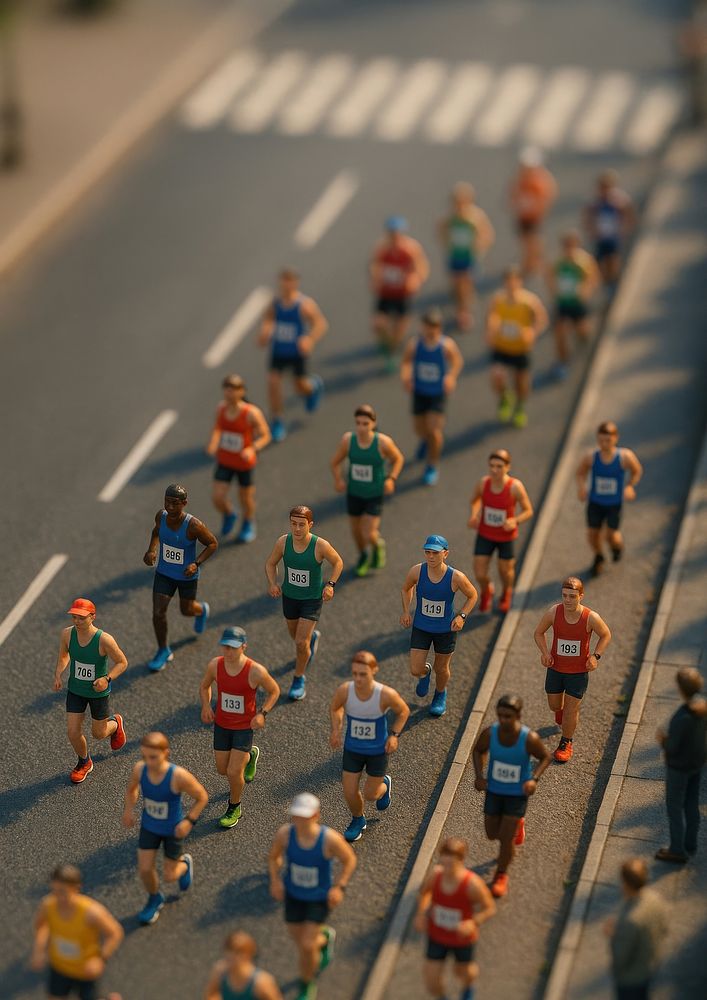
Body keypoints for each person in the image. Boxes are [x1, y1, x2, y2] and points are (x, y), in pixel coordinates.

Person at [268, 793, 357, 1000]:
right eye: (296, 816)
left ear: (316, 815)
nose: (299, 820)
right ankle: (324, 938)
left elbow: (349, 859)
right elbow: (273, 857)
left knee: (307, 947)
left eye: (305, 816)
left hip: (318, 898)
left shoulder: (329, 839)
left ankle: (307, 983)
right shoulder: (285, 834)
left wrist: (339, 887)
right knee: (300, 940)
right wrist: (275, 880)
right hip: (293, 894)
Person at [122, 731, 209, 926]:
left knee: (170, 876)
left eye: (153, 757)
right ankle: (155, 898)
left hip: (172, 829)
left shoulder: (178, 776)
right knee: (145, 869)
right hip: (150, 826)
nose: (148, 762)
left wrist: (189, 821)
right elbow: (131, 789)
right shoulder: (140, 769)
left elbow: (202, 797)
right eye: (145, 757)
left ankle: (184, 864)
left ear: (166, 753)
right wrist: (128, 810)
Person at [199, 626, 280, 830]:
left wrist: (262, 713)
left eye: (233, 647)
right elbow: (204, 686)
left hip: (244, 728)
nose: (228, 652)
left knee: (234, 772)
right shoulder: (215, 666)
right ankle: (251, 755)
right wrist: (207, 706)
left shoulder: (255, 671)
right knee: (221, 769)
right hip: (222, 725)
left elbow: (274, 691)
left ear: (244, 646)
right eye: (225, 647)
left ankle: (234, 806)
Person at [472, 694, 551, 898]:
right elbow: (478, 750)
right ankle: (518, 824)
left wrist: (534, 779)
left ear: (518, 715)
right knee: (491, 834)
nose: (503, 720)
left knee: (506, 840)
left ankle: (501, 874)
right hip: (495, 791)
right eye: (500, 715)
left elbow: (545, 757)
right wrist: (479, 776)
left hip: (517, 794)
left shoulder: (529, 738)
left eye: (508, 716)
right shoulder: (490, 734)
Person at [329, 650, 410, 842]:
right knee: (349, 791)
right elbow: (335, 708)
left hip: (377, 751)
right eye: (355, 674)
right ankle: (358, 820)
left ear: (374, 671)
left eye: (363, 674)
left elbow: (403, 711)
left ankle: (385, 785)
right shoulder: (345, 691)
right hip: (353, 749)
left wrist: (394, 736)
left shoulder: (385, 694)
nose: (358, 679)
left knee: (370, 794)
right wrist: (336, 730)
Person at [265, 506, 343, 701]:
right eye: (293, 524)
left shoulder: (320, 545)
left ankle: (298, 678)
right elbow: (270, 563)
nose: (297, 529)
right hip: (290, 597)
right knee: (296, 637)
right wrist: (272, 583)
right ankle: (311, 640)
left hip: (311, 599)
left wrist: (331, 585)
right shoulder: (283, 542)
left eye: (301, 525)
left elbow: (338, 562)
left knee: (300, 642)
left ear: (310, 525)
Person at [533, 577, 612, 763]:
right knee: (554, 705)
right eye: (564, 596)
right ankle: (560, 713)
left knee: (571, 709)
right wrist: (545, 653)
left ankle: (566, 742)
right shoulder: (554, 612)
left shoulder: (590, 617)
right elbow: (538, 633)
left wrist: (595, 656)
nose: (567, 600)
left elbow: (606, 635)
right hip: (556, 669)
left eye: (572, 596)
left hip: (578, 672)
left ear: (581, 596)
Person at [143, 484, 218, 672]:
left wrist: (196, 563)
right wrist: (151, 550)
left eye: (175, 503)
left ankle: (201, 610)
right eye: (167, 502)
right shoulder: (161, 516)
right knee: (158, 613)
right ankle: (163, 650)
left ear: (184, 503)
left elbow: (212, 544)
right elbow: (155, 532)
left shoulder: (194, 525)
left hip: (186, 576)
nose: (170, 507)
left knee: (186, 610)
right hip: (164, 573)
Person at [400, 535, 478, 718]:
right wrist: (406, 611)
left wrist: (462, 616)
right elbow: (406, 588)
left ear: (445, 554)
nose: (430, 556)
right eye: (427, 552)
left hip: (445, 630)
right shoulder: (417, 572)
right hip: (421, 626)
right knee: (415, 669)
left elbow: (473, 595)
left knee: (441, 668)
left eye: (435, 552)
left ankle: (440, 694)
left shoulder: (456, 577)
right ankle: (425, 672)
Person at [53, 598, 128, 784]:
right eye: (74, 617)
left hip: (97, 693)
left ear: (92, 617)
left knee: (99, 734)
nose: (76, 621)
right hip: (76, 690)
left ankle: (116, 724)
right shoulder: (67, 634)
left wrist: (106, 679)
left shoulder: (104, 639)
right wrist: (58, 674)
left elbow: (122, 662)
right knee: (72, 731)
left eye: (81, 617)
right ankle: (84, 762)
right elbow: (64, 656)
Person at [413, 838, 496, 1000]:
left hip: (462, 938)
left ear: (461, 861)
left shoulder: (472, 884)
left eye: (451, 864)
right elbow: (424, 894)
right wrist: (421, 914)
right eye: (443, 863)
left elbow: (490, 908)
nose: (446, 869)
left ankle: (468, 987)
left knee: (464, 973)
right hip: (437, 935)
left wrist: (473, 922)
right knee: (431, 980)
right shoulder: (436, 876)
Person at [330, 404, 404, 577]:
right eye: (358, 423)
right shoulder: (349, 441)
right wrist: (338, 480)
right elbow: (334, 462)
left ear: (373, 423)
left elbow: (398, 458)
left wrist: (391, 479)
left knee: (368, 531)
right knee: (356, 531)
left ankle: (377, 545)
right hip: (354, 493)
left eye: (365, 423)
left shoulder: (383, 442)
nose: (361, 427)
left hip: (374, 493)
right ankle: (363, 555)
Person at [30, 864, 124, 1000]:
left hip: (85, 971)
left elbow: (115, 933)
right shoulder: (48, 905)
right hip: (59, 967)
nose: (59, 899)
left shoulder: (91, 912)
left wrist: (100, 959)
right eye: (54, 891)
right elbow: (42, 927)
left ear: (76, 888)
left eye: (63, 892)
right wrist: (38, 951)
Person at [257, 268, 328, 443]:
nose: (285, 285)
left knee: (299, 386)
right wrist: (265, 332)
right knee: (273, 382)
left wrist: (309, 339)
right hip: (279, 351)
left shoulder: (304, 304)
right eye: (283, 281)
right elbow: (267, 321)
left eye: (289, 281)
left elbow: (321, 324)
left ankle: (313, 387)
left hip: (296, 352)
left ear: (295, 283)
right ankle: (277, 420)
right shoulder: (275, 304)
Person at [400, 308, 464, 486]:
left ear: (439, 328)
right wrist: (406, 377)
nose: (431, 331)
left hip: (437, 394)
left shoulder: (446, 345)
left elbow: (457, 361)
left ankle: (432, 465)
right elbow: (406, 362)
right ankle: (424, 439)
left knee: (435, 431)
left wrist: (451, 376)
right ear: (423, 327)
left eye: (434, 327)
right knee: (419, 428)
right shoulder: (415, 344)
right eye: (428, 327)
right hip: (420, 392)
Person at [206, 374, 271, 543]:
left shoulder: (251, 413)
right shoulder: (221, 409)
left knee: (246, 498)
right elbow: (218, 428)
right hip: (225, 460)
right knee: (217, 497)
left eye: (233, 390)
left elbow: (265, 435)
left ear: (241, 391)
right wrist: (213, 443)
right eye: (226, 390)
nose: (229, 394)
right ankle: (229, 513)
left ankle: (248, 522)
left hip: (244, 463)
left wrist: (253, 448)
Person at [467, 450, 533, 614]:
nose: (495, 470)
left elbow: (528, 510)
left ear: (508, 467)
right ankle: (487, 590)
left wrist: (515, 520)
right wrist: (474, 515)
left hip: (505, 536)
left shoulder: (515, 487)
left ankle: (507, 592)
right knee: (479, 573)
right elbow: (474, 501)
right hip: (485, 534)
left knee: (505, 570)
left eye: (499, 466)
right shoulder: (484, 483)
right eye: (491, 466)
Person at [576, 421, 643, 577]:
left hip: (614, 504)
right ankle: (599, 557)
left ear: (615, 438)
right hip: (595, 502)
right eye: (601, 441)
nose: (604, 444)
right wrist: (581, 487)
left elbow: (637, 471)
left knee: (611, 535)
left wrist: (630, 486)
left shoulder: (625, 457)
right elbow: (580, 473)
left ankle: (617, 547)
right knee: (592, 534)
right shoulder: (591, 457)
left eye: (608, 440)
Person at [654, 667, 707, 863]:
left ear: (681, 689)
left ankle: (677, 849)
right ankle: (690, 843)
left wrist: (663, 740)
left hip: (679, 767)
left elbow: (673, 746)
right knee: (692, 804)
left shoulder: (683, 717)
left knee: (674, 806)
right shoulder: (702, 707)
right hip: (696, 764)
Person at [485, 266, 547, 428]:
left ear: (519, 282)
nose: (511, 285)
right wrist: (491, 330)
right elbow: (491, 317)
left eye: (514, 281)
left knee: (521, 382)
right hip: (502, 346)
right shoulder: (498, 299)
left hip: (520, 348)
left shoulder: (529, 301)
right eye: (507, 282)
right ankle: (505, 397)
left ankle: (520, 407)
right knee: (496, 376)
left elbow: (541, 319)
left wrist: (532, 333)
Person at [369, 216, 429, 371]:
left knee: (399, 328)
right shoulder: (382, 248)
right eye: (392, 234)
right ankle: (387, 344)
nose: (395, 237)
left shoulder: (410, 249)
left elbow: (421, 268)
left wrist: (415, 280)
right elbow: (374, 265)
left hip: (402, 294)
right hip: (386, 292)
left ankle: (392, 352)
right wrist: (375, 278)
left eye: (397, 234)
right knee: (378, 324)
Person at [604, 859, 669, 1000]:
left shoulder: (630, 921)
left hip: (631, 979)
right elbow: (664, 928)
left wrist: (614, 935)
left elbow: (620, 958)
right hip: (650, 965)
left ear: (626, 884)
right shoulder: (655, 899)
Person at [438, 182, 495, 332]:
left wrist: (480, 246)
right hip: (455, 255)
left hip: (469, 257)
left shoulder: (475, 216)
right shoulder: (451, 217)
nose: (459, 205)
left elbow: (487, 234)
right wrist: (447, 243)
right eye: (456, 202)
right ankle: (461, 302)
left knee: (465, 283)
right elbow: (441, 229)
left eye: (462, 201)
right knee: (456, 283)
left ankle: (464, 312)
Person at [546, 229, 600, 379]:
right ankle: (562, 361)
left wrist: (586, 291)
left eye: (571, 245)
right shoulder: (559, 262)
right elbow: (550, 275)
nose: (568, 249)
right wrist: (554, 292)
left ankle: (585, 338)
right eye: (566, 246)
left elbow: (593, 277)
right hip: (563, 303)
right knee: (560, 332)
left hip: (577, 303)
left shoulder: (583, 261)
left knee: (582, 331)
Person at [508, 147, 557, 276]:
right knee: (525, 240)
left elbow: (546, 196)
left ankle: (533, 261)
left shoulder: (539, 181)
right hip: (523, 215)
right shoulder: (520, 179)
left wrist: (540, 209)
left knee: (532, 240)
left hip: (533, 216)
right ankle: (530, 260)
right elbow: (514, 194)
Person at [582, 169, 636, 289]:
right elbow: (588, 216)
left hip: (614, 235)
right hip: (601, 235)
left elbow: (628, 213)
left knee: (613, 258)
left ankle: (613, 281)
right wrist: (591, 229)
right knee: (599, 261)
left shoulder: (619, 200)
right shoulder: (596, 201)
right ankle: (604, 282)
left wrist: (625, 228)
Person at [203, 930, 282, 1000]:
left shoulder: (262, 983)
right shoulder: (220, 971)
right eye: (228, 951)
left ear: (249, 955)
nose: (230, 957)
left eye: (237, 953)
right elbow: (210, 995)